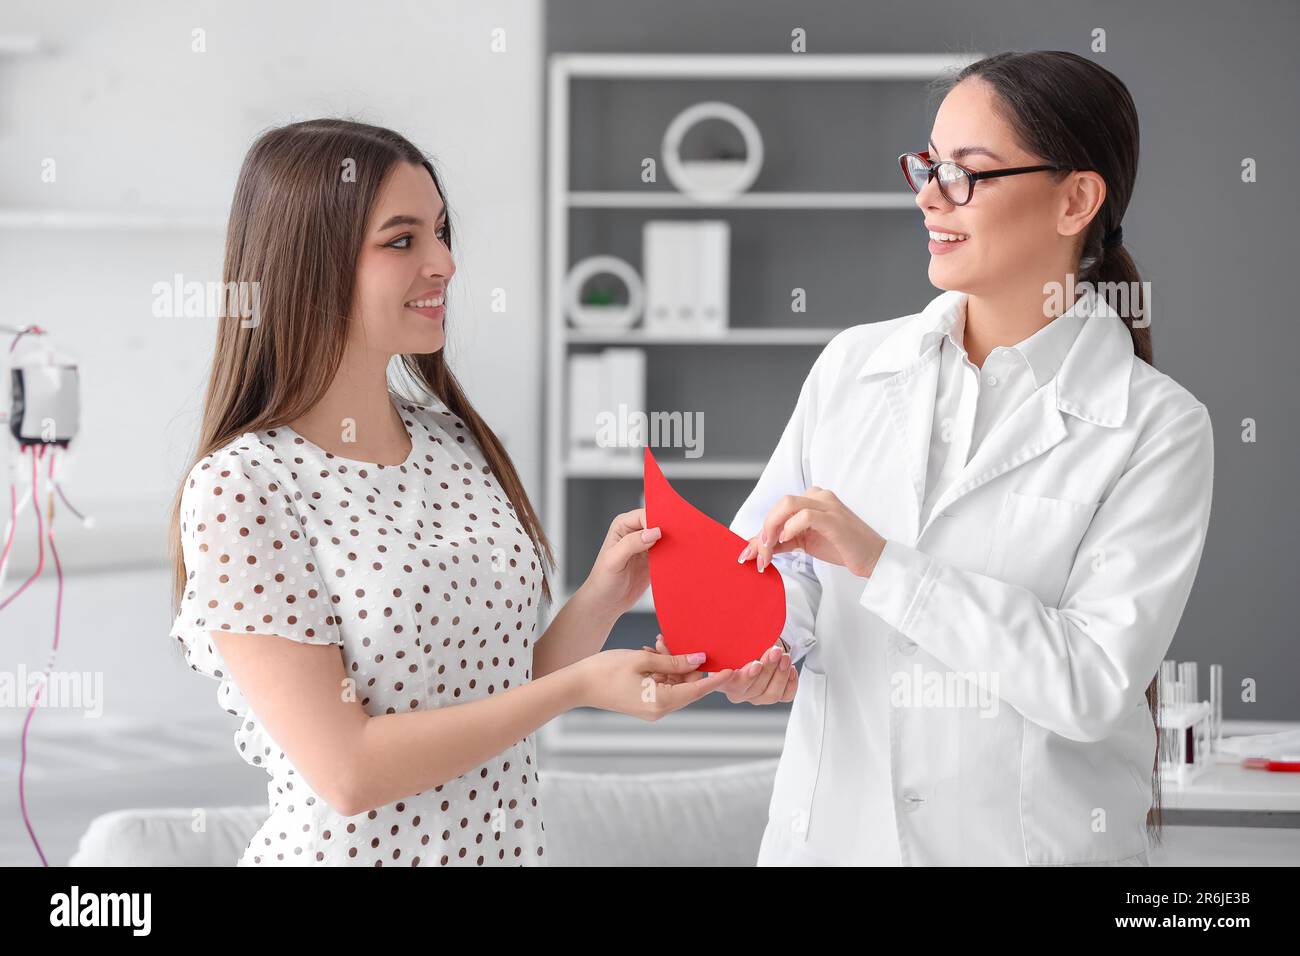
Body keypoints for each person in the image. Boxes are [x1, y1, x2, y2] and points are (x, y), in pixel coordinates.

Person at [167, 119, 732, 867]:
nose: (443, 263)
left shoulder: (453, 443)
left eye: (440, 231)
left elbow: (495, 692)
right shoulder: (245, 488)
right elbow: (349, 771)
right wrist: (580, 690)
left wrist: (602, 596)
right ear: (311, 263)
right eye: (402, 241)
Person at [725, 51, 1214, 865]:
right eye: (928, 165)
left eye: (967, 174)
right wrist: (765, 642)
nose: (928, 194)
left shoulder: (1157, 428)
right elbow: (777, 565)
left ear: (1076, 200)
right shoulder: (853, 365)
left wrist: (886, 566)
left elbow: (1090, 685)